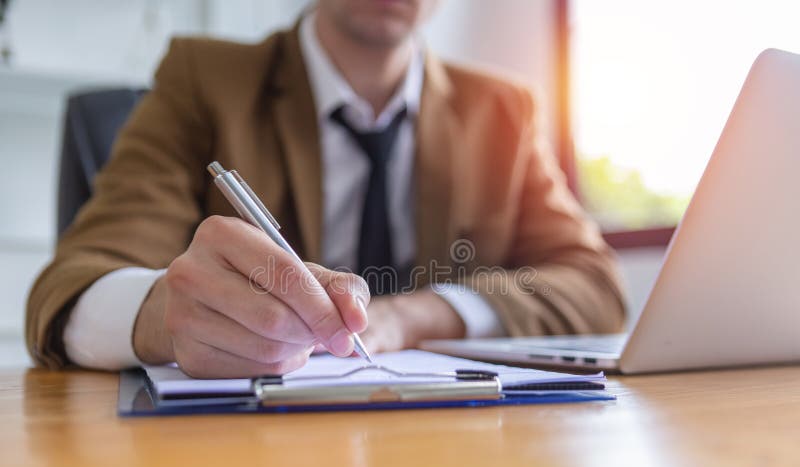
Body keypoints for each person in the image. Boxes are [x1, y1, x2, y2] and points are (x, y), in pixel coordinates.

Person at [25, 0, 626, 378]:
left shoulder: (501, 110)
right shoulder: (203, 80)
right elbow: (71, 289)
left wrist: (417, 316)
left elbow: (593, 283)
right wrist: (165, 315)